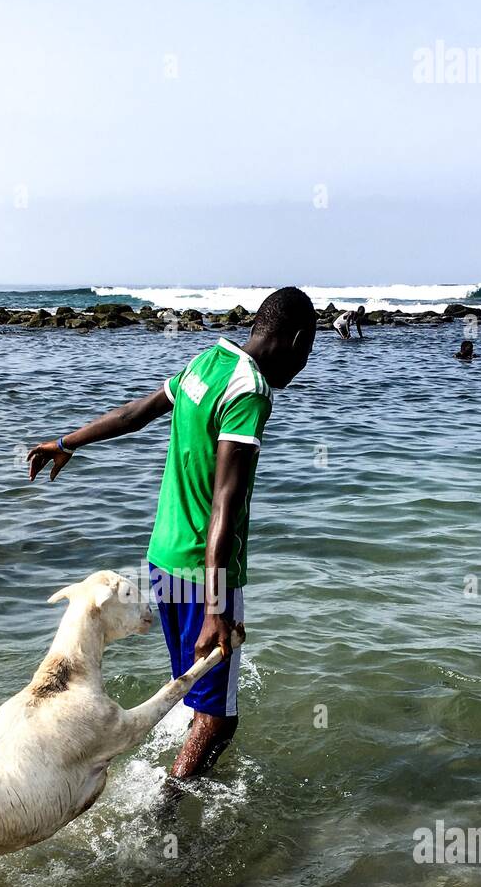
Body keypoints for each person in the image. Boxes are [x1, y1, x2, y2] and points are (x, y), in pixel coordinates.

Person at [27, 286, 317, 779]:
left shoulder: (207, 363)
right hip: (206, 570)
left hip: (163, 559)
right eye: (308, 350)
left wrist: (66, 442)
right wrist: (217, 607)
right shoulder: (250, 390)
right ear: (293, 340)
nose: (304, 363)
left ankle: (169, 780)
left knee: (190, 686)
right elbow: (224, 504)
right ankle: (165, 809)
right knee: (218, 720)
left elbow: (134, 413)